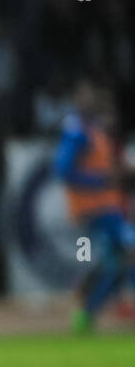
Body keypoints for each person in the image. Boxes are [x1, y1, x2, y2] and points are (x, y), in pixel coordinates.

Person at [53, 79, 133, 333]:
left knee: (114, 263)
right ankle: (89, 306)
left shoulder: (96, 132)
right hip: (96, 209)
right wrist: (100, 181)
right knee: (126, 252)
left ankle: (87, 312)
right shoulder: (78, 132)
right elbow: (63, 170)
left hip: (106, 208)